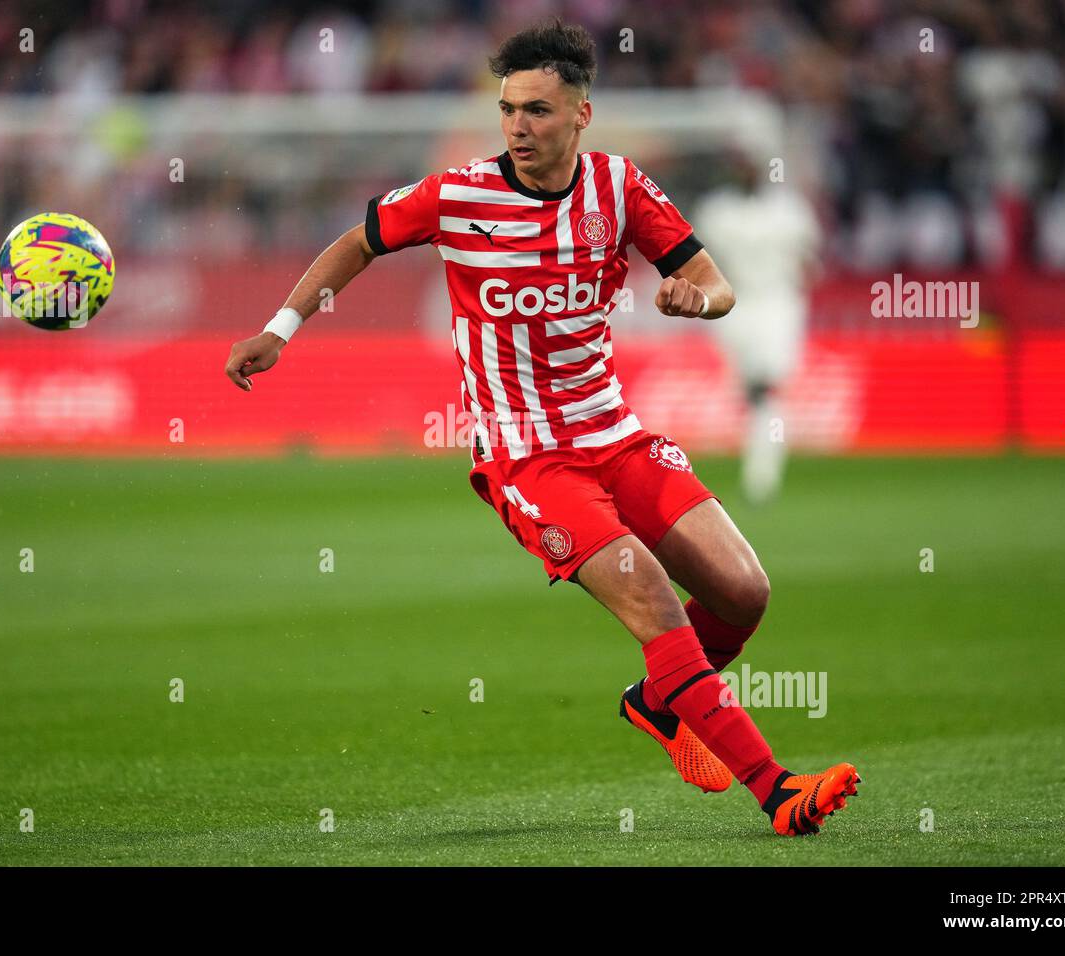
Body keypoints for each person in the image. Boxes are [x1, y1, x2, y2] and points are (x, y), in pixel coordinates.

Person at [225, 18, 859, 836]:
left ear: (580, 115)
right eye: (509, 110)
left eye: (538, 111)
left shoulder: (619, 189)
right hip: (529, 461)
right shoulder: (457, 195)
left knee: (743, 593)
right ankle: (778, 792)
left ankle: (658, 703)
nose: (519, 127)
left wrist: (693, 298)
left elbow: (716, 284)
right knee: (656, 603)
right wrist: (279, 329)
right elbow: (357, 242)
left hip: (617, 436)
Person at [696, 154, 821, 503]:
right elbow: (697, 259)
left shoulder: (790, 210)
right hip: (734, 306)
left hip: (778, 303)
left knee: (766, 387)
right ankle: (762, 459)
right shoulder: (717, 211)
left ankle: (761, 476)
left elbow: (810, 258)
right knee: (750, 391)